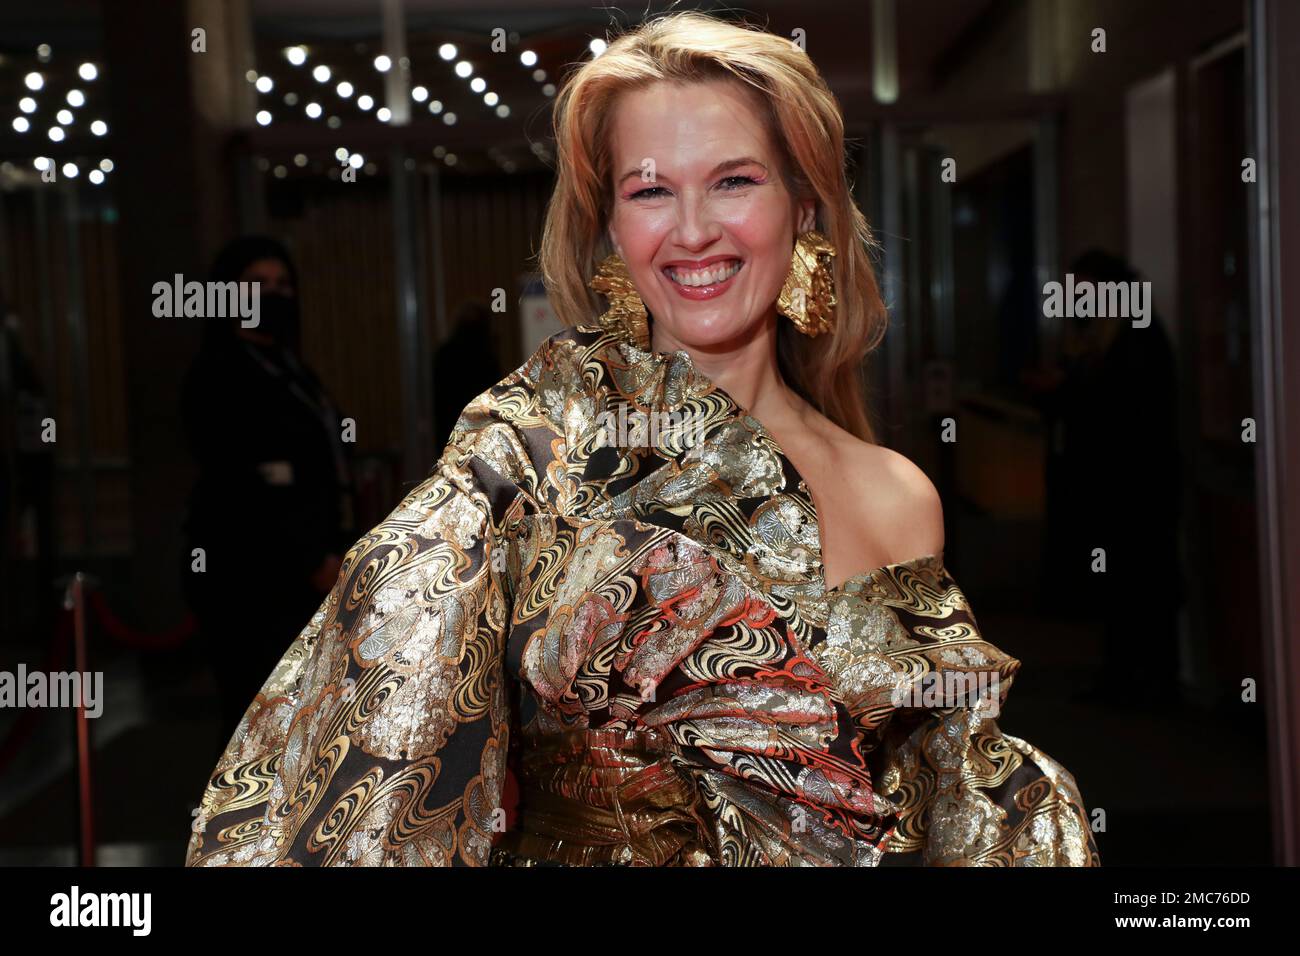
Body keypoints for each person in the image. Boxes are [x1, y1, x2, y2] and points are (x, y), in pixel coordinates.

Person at [186, 13, 1098, 867]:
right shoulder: (532, 452)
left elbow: (939, 795)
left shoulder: (896, 493)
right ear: (613, 229)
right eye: (651, 189)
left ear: (806, 207)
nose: (694, 230)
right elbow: (380, 724)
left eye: (734, 180)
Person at [179, 236, 356, 749]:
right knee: (255, 719)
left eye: (282, 285)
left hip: (306, 568)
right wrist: (310, 559)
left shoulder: (291, 367)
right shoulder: (216, 372)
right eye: (256, 285)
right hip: (249, 574)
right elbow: (242, 485)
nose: (272, 295)